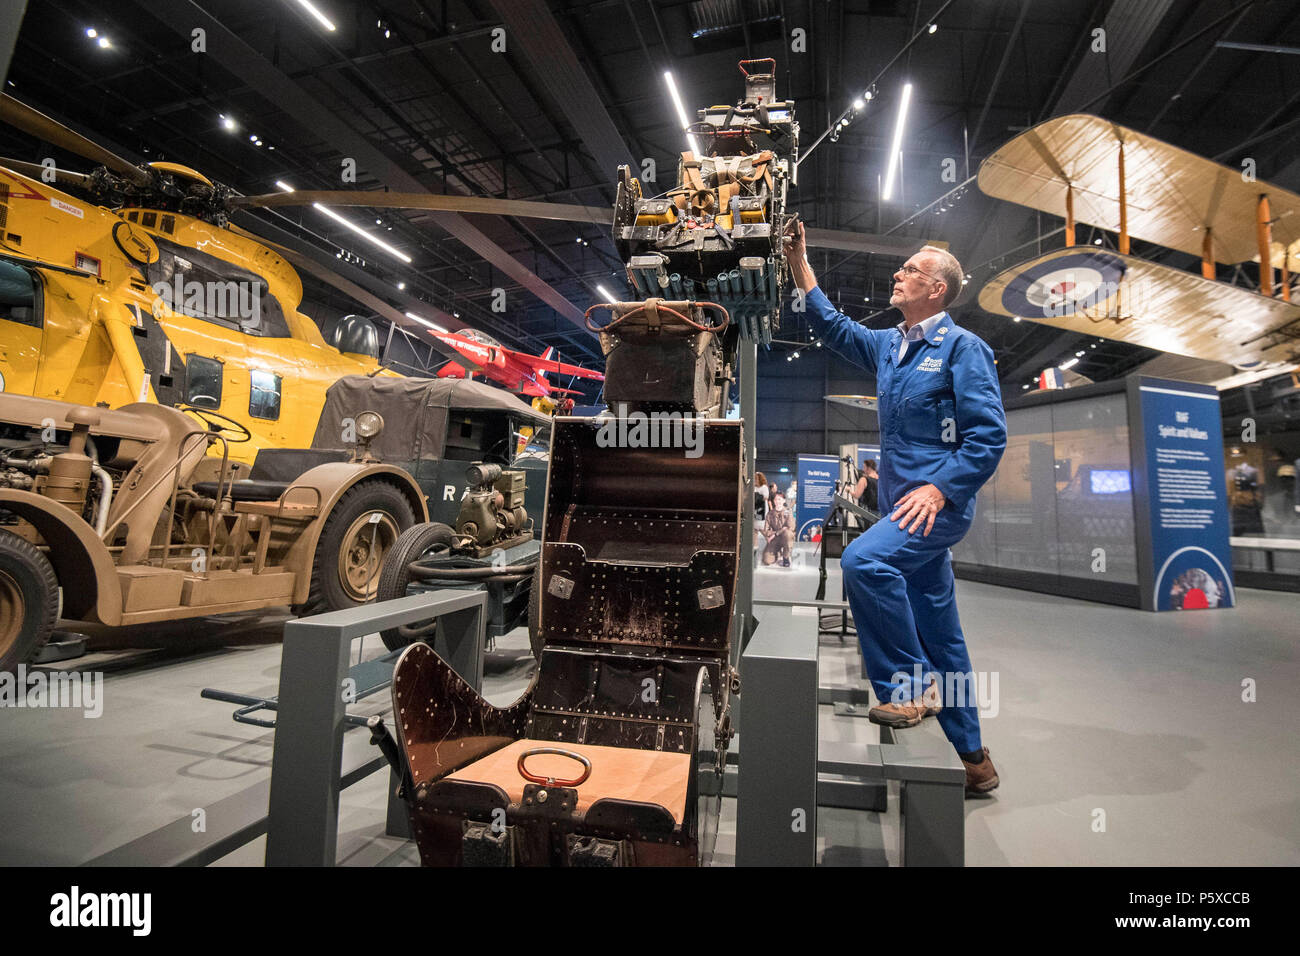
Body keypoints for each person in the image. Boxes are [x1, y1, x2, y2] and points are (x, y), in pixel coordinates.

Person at [785, 221, 1008, 795]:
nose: (898, 274)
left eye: (910, 270)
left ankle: (907, 690)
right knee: (943, 634)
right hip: (902, 509)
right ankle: (974, 758)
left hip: (934, 507)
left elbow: (987, 437)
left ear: (937, 289)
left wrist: (941, 488)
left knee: (862, 562)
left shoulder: (963, 349)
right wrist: (798, 261)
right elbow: (831, 326)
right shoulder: (891, 344)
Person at [762, 492, 795, 567]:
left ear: (784, 501)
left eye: (780, 499)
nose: (777, 501)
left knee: (788, 533)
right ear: (773, 501)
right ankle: (777, 553)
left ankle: (786, 557)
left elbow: (791, 527)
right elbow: (766, 531)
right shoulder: (770, 514)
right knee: (767, 561)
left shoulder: (788, 512)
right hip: (774, 540)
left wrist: (776, 534)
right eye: (776, 499)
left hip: (784, 538)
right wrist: (775, 534)